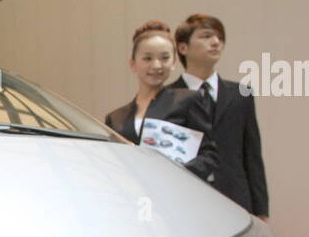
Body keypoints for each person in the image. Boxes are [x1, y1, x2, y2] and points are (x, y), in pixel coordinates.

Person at [166, 13, 269, 218]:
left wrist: (261, 209)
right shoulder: (167, 98)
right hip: (188, 200)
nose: (215, 43)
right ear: (183, 47)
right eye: (206, 36)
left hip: (236, 198)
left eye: (220, 38)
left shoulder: (241, 94)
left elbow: (252, 155)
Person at [104, 19, 218, 184]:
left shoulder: (188, 100)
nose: (156, 65)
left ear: (173, 63)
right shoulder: (115, 118)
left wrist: (179, 172)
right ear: (133, 64)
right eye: (147, 58)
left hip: (177, 193)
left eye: (164, 58)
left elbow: (209, 156)